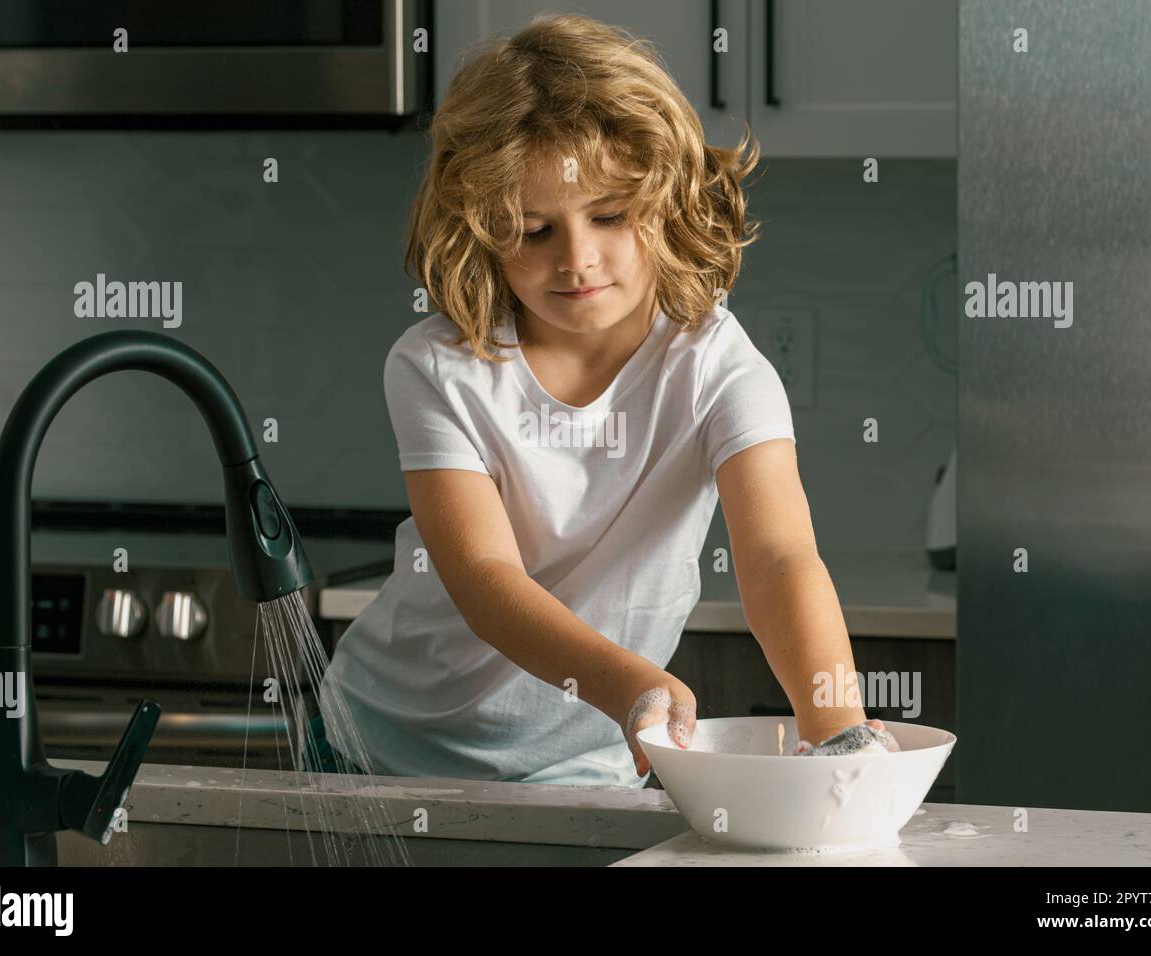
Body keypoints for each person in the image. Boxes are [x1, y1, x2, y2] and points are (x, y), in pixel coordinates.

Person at [318, 14, 896, 788]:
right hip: (378, 746)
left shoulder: (718, 366)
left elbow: (778, 557)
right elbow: (486, 579)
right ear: (481, 231)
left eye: (610, 216)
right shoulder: (436, 366)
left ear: (665, 201)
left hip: (582, 762)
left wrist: (839, 734)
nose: (578, 259)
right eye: (533, 230)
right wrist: (631, 689)